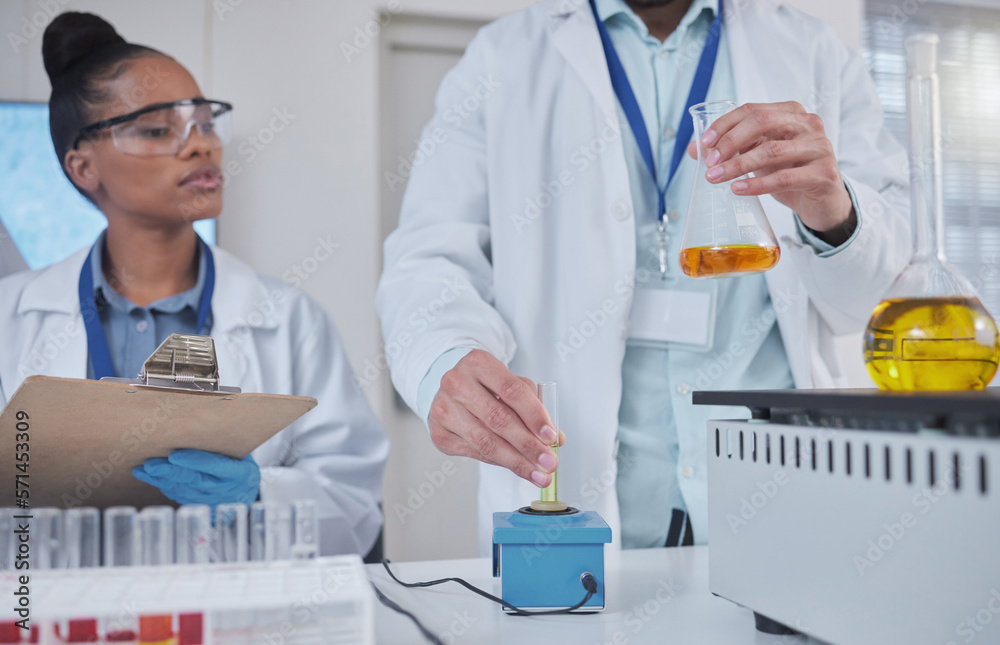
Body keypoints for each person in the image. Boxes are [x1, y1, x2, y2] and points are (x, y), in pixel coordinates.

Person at [376, 0, 910, 552]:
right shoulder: (500, 57)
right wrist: (444, 361)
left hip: (774, 507)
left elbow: (877, 299)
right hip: (583, 505)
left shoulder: (815, 52)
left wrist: (835, 212)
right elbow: (428, 260)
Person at [0, 12, 389, 557]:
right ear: (84, 165)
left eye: (206, 123)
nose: (200, 145)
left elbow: (354, 507)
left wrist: (258, 498)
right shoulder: (10, 317)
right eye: (158, 129)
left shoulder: (288, 318)